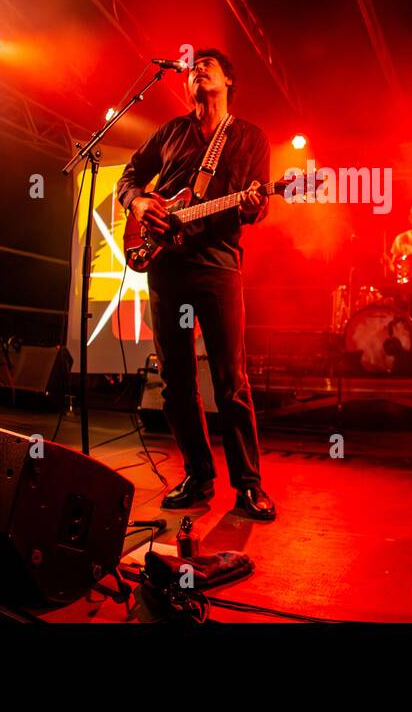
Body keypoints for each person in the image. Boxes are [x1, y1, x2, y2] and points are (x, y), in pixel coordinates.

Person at [116, 49, 276, 521]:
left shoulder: (250, 137)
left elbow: (259, 205)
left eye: (207, 64)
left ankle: (248, 485)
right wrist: (138, 203)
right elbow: (130, 176)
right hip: (166, 264)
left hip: (218, 264)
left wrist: (253, 204)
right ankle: (197, 475)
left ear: (229, 80)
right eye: (192, 67)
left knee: (231, 380)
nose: (196, 69)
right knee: (176, 381)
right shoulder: (171, 131)